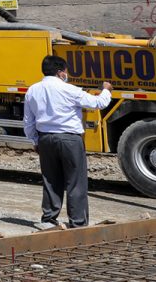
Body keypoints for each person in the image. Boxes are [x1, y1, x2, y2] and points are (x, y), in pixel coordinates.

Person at [22, 54, 111, 229]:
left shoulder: (32, 90)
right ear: (60, 72)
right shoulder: (69, 89)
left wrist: (34, 140)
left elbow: (28, 121)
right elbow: (98, 103)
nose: (66, 74)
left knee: (50, 179)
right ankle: (77, 223)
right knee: (75, 181)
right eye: (65, 71)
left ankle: (48, 219)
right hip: (70, 139)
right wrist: (106, 89)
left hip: (45, 138)